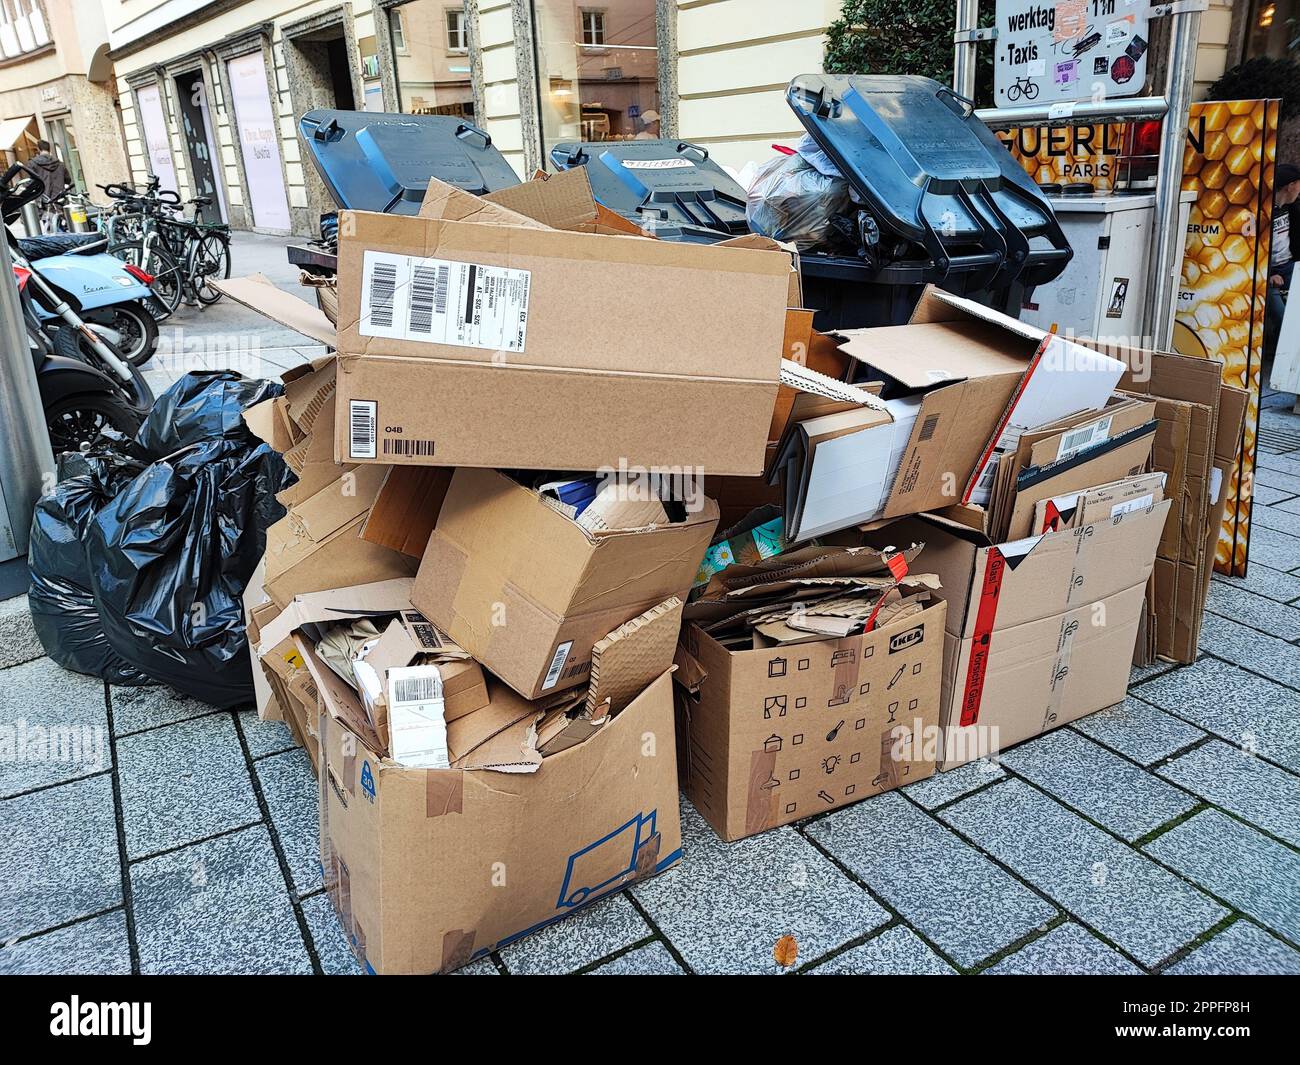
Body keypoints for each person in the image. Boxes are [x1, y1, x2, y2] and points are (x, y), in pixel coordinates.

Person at [1265, 162, 1300, 361]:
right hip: (1268, 273)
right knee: (1282, 316)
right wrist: (1269, 275)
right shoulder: (1263, 211)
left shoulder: (1292, 209)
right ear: (1290, 185)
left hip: (1289, 266)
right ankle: (1285, 362)